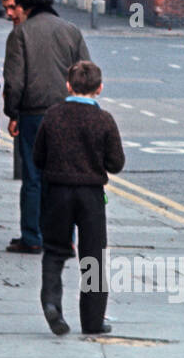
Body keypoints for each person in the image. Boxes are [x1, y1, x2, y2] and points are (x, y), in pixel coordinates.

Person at [32, 60, 124, 336]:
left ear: (68, 85)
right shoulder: (104, 120)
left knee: (55, 250)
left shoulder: (53, 115)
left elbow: (38, 157)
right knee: (93, 256)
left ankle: (51, 302)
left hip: (57, 192)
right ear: (99, 88)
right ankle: (93, 320)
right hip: (90, 195)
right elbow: (116, 162)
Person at [3, 0, 91, 254]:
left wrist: (12, 113)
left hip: (33, 115)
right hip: (69, 112)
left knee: (33, 176)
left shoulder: (20, 34)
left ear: (27, 5)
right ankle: (65, 236)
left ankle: (32, 236)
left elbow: (14, 81)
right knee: (65, 175)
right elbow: (86, 71)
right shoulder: (71, 31)